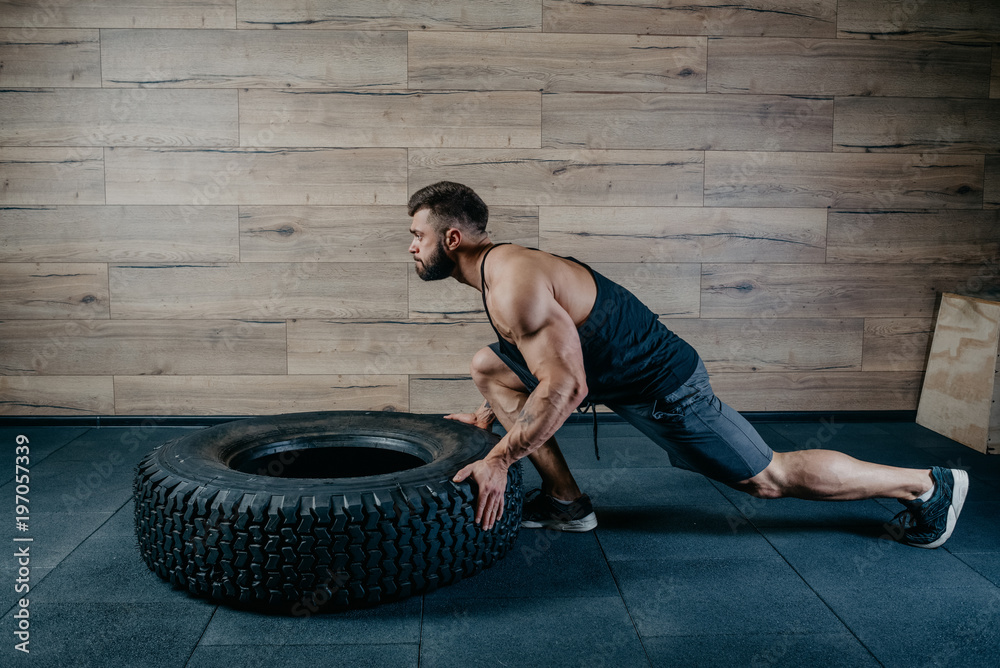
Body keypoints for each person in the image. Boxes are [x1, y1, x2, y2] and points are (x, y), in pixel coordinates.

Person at [406, 181, 968, 549]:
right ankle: (566, 503)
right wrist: (489, 414)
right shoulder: (502, 271)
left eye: (417, 235)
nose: (411, 247)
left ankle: (925, 485)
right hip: (612, 373)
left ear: (451, 237)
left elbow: (565, 385)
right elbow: (538, 360)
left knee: (769, 478)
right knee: (490, 365)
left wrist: (502, 459)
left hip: (664, 386)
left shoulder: (513, 285)